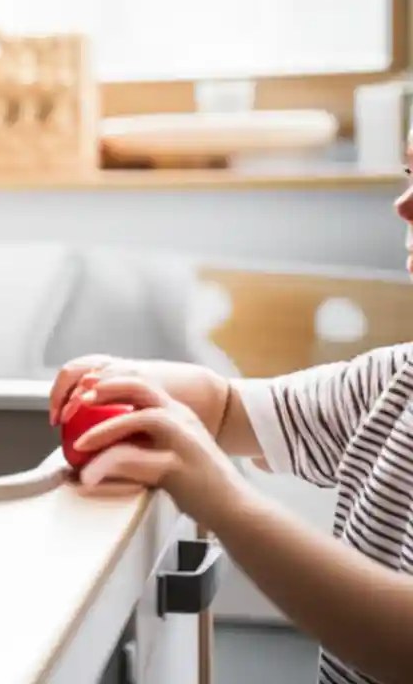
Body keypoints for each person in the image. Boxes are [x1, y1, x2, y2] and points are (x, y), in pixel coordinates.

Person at [48, 165, 413, 683]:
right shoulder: (395, 379)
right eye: (410, 171)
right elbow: (228, 408)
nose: (403, 203)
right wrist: (133, 380)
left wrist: (226, 504)